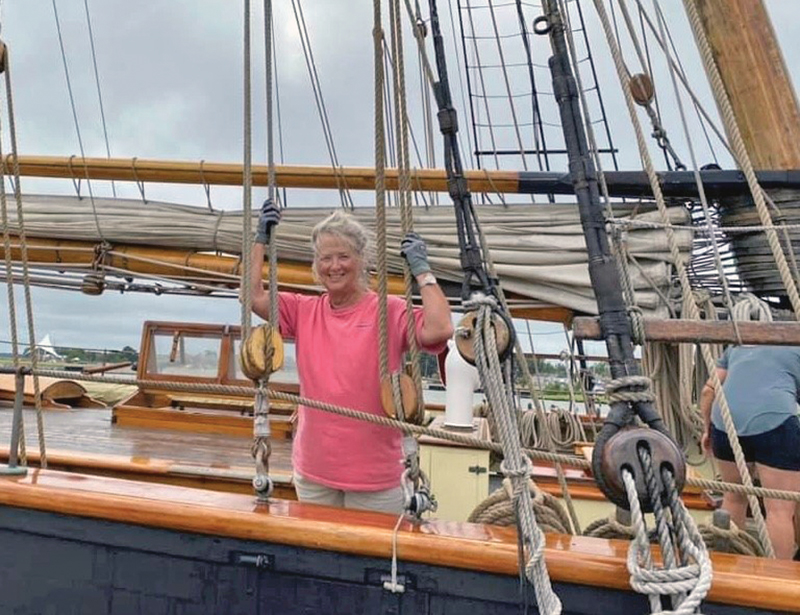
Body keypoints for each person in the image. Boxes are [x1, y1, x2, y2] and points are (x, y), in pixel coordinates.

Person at [249, 201, 453, 514]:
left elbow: (440, 328)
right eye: (325, 258)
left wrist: (422, 270)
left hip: (377, 480)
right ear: (316, 265)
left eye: (343, 256)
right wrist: (260, 239)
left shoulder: (389, 310)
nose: (334, 266)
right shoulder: (304, 310)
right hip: (314, 472)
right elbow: (253, 297)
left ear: (362, 259)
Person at [699, 345, 800, 559]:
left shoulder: (738, 345)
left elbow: (708, 391)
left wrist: (707, 430)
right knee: (779, 509)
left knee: (734, 497)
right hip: (774, 420)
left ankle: (730, 563)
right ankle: (777, 573)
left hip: (724, 425)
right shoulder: (794, 344)